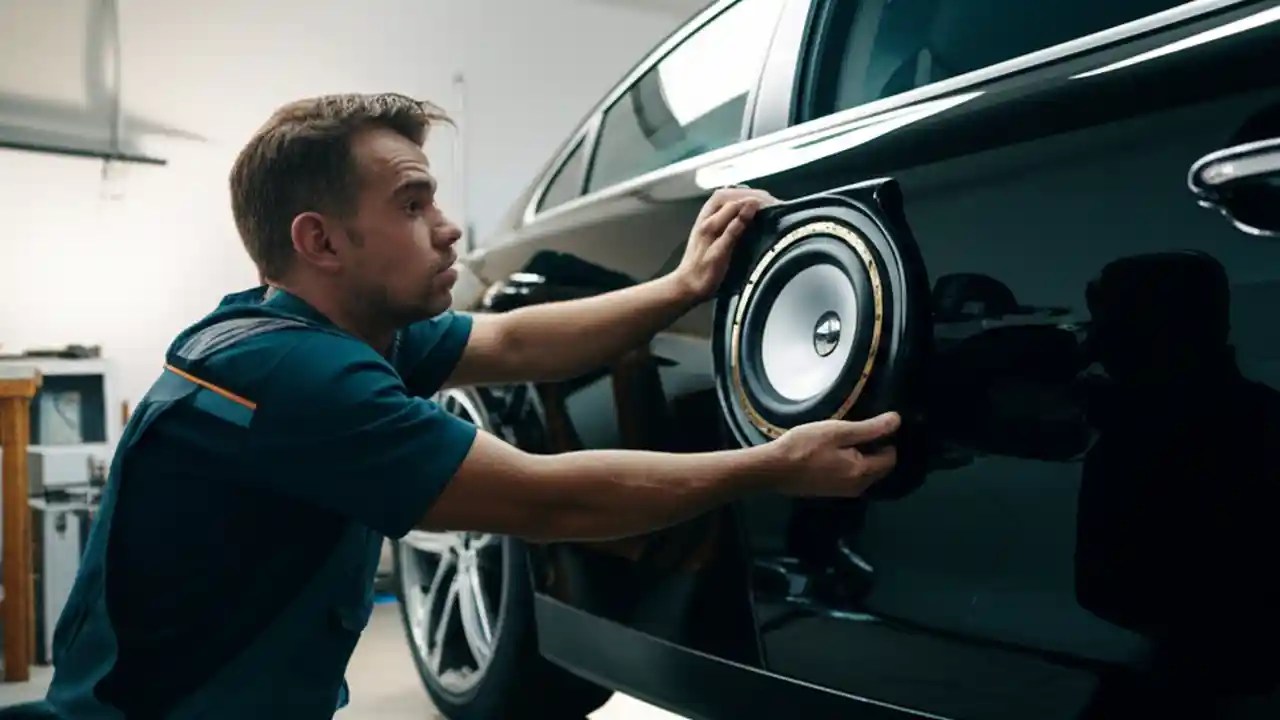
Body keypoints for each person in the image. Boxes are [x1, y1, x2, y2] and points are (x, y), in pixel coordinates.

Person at [39, 93, 901, 718]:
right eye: (413, 205)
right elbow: (545, 499)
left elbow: (516, 343)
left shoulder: (329, 332)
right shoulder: (294, 377)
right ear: (322, 241)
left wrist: (680, 286)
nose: (448, 228)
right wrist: (773, 467)